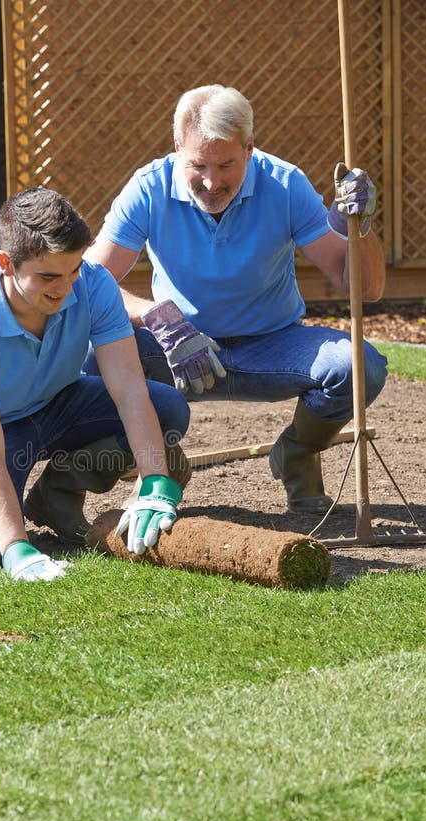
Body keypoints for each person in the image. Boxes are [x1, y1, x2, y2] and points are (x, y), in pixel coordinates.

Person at [84, 84, 388, 514]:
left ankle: (298, 454)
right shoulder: (149, 188)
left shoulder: (285, 184)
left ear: (249, 147)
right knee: (94, 359)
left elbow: (363, 287)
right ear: (176, 148)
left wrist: (359, 226)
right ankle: (161, 461)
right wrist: (156, 316)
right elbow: (89, 281)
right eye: (197, 165)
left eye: (226, 164)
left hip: (272, 346)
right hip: (176, 348)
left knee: (358, 366)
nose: (211, 181)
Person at [0, 187, 191, 583]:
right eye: (49, 277)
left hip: (60, 403)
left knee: (168, 408)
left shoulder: (93, 282)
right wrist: (18, 549)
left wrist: (156, 479)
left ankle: (57, 490)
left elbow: (129, 390)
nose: (66, 287)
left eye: (73, 270)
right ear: (6, 263)